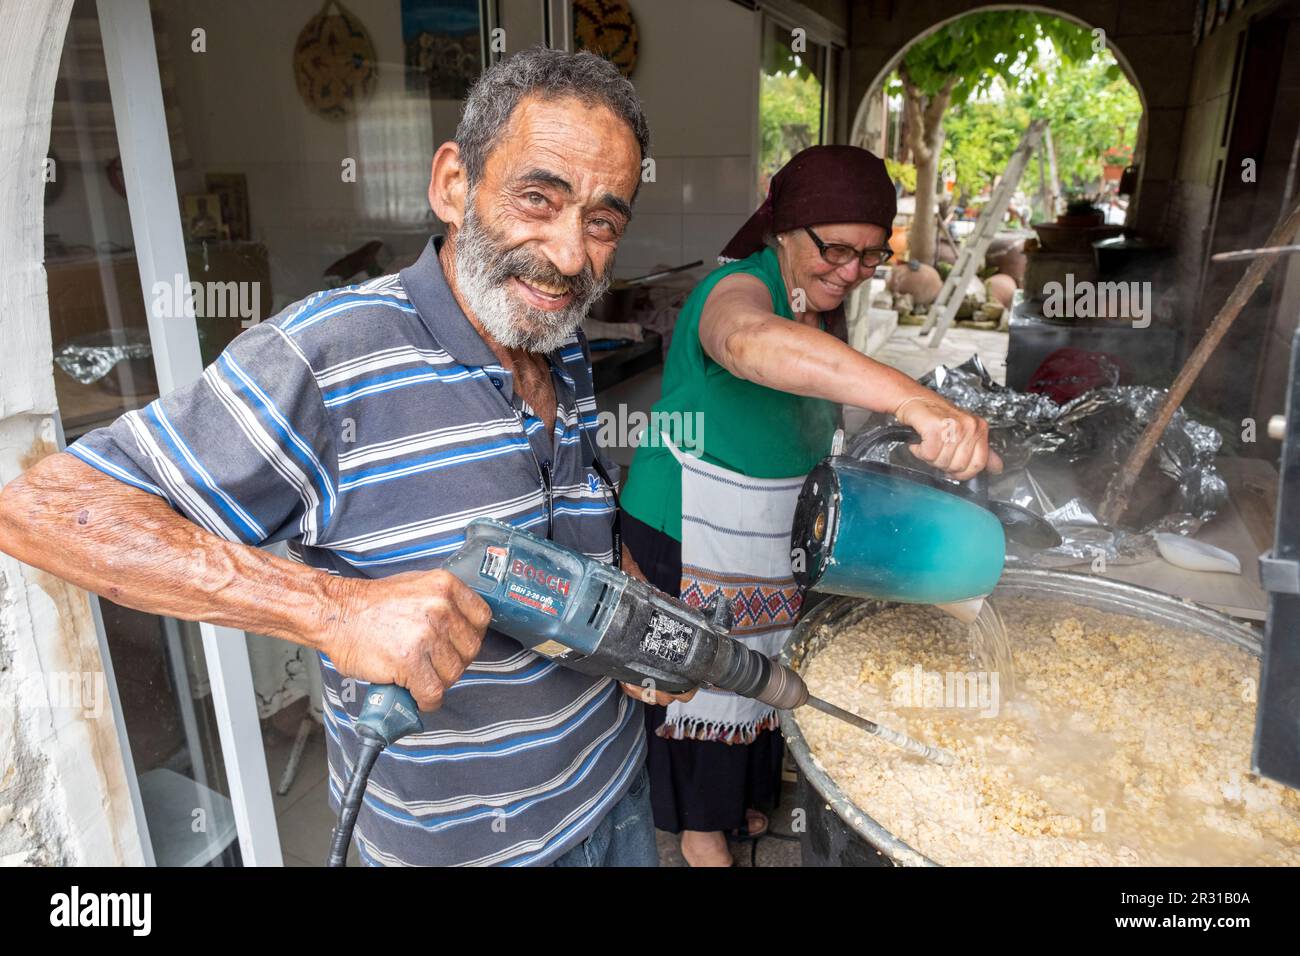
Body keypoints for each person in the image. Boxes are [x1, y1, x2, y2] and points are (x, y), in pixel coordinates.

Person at [0, 48, 690, 867]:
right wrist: (334, 611)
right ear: (452, 185)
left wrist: (632, 612)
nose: (571, 256)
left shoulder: (552, 340)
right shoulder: (327, 355)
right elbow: (44, 509)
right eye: (537, 198)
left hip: (615, 790)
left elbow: (571, 520)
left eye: (603, 221)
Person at [619, 145, 1001, 867]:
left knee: (761, 663)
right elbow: (747, 343)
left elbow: (812, 398)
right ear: (785, 229)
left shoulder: (818, 308)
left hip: (769, 522)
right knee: (703, 676)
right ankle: (703, 836)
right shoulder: (736, 289)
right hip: (687, 528)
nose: (851, 271)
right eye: (836, 249)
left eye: (869, 255)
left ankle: (741, 804)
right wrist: (914, 399)